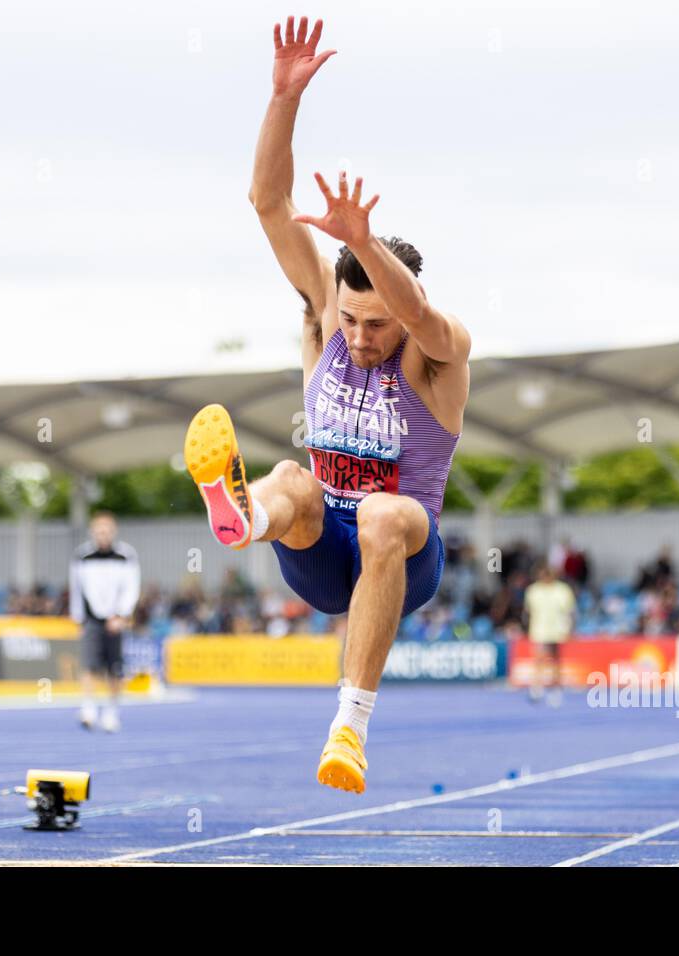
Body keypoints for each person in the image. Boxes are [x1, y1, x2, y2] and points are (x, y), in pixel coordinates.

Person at [184, 17, 471, 794]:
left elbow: (417, 317)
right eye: (349, 319)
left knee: (382, 514)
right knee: (289, 474)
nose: (359, 335)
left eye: (374, 324)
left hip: (404, 554)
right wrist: (282, 99)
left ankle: (349, 726)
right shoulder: (325, 314)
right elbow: (269, 202)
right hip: (318, 549)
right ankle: (245, 518)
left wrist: (369, 245)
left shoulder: (436, 352)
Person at [69, 511, 141, 732]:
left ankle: (111, 712)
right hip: (91, 618)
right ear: (93, 532)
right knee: (89, 665)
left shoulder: (126, 555)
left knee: (114, 668)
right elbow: (76, 588)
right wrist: (78, 616)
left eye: (107, 530)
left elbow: (131, 588)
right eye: (99, 531)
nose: (103, 535)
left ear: (113, 532)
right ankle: (88, 708)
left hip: (115, 620)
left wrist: (121, 615)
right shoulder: (82, 556)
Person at [523, 562, 575, 706]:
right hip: (539, 630)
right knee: (539, 659)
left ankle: (556, 690)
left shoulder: (562, 590)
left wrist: (569, 628)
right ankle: (537, 688)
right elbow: (528, 611)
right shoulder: (533, 591)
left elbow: (569, 611)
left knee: (556, 661)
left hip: (557, 630)